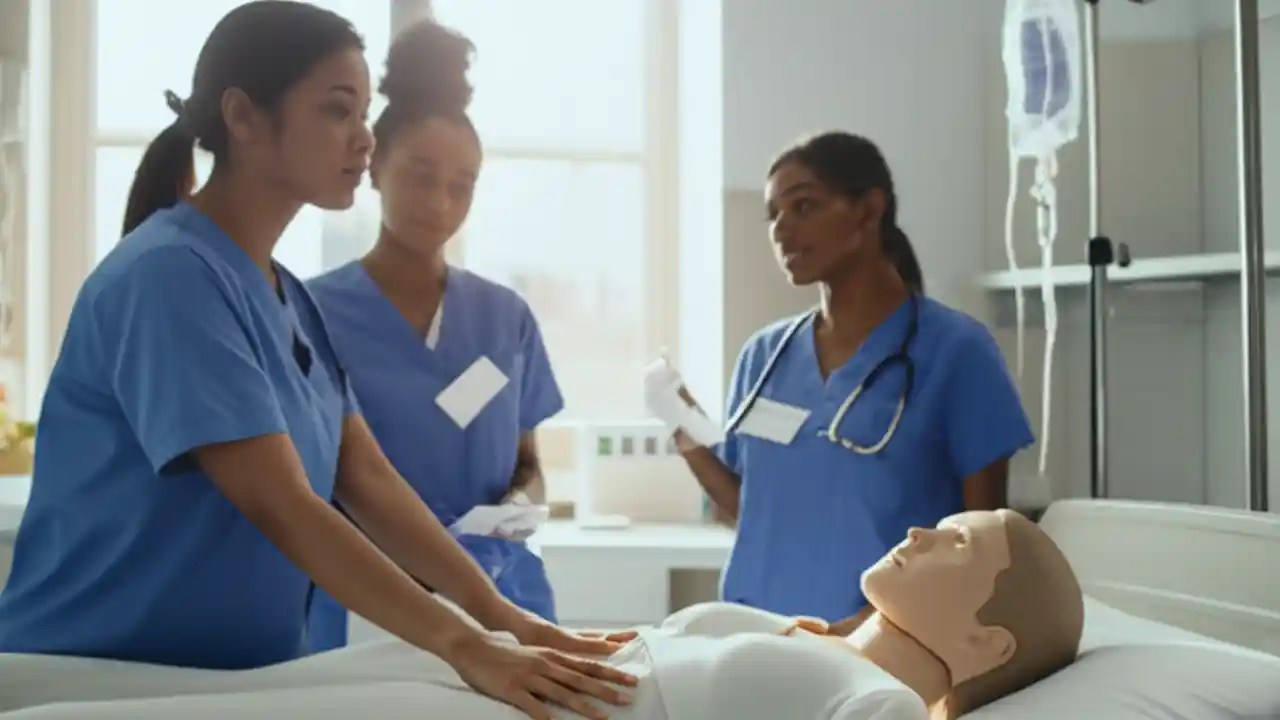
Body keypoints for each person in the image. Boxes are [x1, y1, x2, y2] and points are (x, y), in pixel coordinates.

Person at [0, 4, 634, 720]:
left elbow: (363, 477)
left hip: (234, 680)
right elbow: (283, 502)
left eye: (365, 112)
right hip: (98, 678)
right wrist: (467, 647)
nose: (364, 137)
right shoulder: (170, 276)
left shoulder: (286, 297)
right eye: (339, 111)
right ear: (244, 116)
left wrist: (508, 620)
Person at [0, 509, 1086, 719]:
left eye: (957, 544)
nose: (925, 530)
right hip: (496, 671)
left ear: (981, 643)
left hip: (527, 711)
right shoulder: (810, 634)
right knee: (224, 696)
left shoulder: (873, 703)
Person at [669, 131, 1035, 634]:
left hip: (885, 645)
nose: (781, 229)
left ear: (868, 210)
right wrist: (685, 428)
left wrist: (878, 626)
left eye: (803, 206)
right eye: (773, 214)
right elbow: (746, 509)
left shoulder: (956, 351)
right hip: (756, 638)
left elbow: (983, 542)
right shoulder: (764, 356)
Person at [304, 18, 564, 653]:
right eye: (420, 176)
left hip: (504, 597)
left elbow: (529, 466)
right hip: (364, 604)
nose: (440, 202)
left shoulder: (506, 319)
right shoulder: (311, 311)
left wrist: (513, 511)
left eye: (462, 185)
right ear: (373, 168)